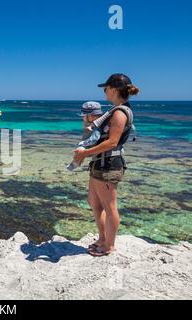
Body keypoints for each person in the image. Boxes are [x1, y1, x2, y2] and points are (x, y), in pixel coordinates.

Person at [74, 74, 140, 257]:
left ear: (114, 89)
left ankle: (109, 245)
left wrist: (84, 153)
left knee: (110, 207)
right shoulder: (115, 109)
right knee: (95, 203)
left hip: (110, 165)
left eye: (106, 88)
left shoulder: (119, 113)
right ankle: (102, 238)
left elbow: (112, 142)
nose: (104, 92)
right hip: (100, 163)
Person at [66, 101, 104, 171]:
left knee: (80, 150)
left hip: (92, 146)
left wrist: (83, 143)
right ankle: (77, 162)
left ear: (92, 116)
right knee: (80, 151)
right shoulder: (92, 122)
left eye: (84, 116)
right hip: (90, 145)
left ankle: (74, 164)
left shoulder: (98, 124)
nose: (83, 117)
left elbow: (95, 138)